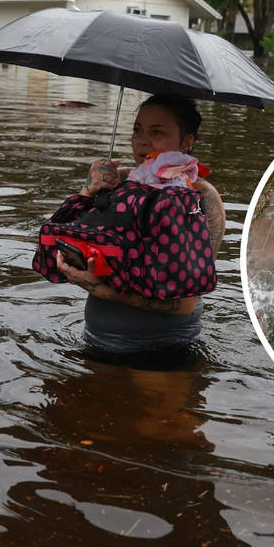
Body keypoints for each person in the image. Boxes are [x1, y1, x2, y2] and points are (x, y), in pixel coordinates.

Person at [55, 95, 226, 353]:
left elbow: (186, 303)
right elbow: (63, 237)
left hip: (163, 349)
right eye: (137, 130)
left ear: (186, 141)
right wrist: (88, 191)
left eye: (156, 132)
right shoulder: (118, 181)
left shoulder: (200, 196)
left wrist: (104, 291)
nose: (142, 141)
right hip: (96, 339)